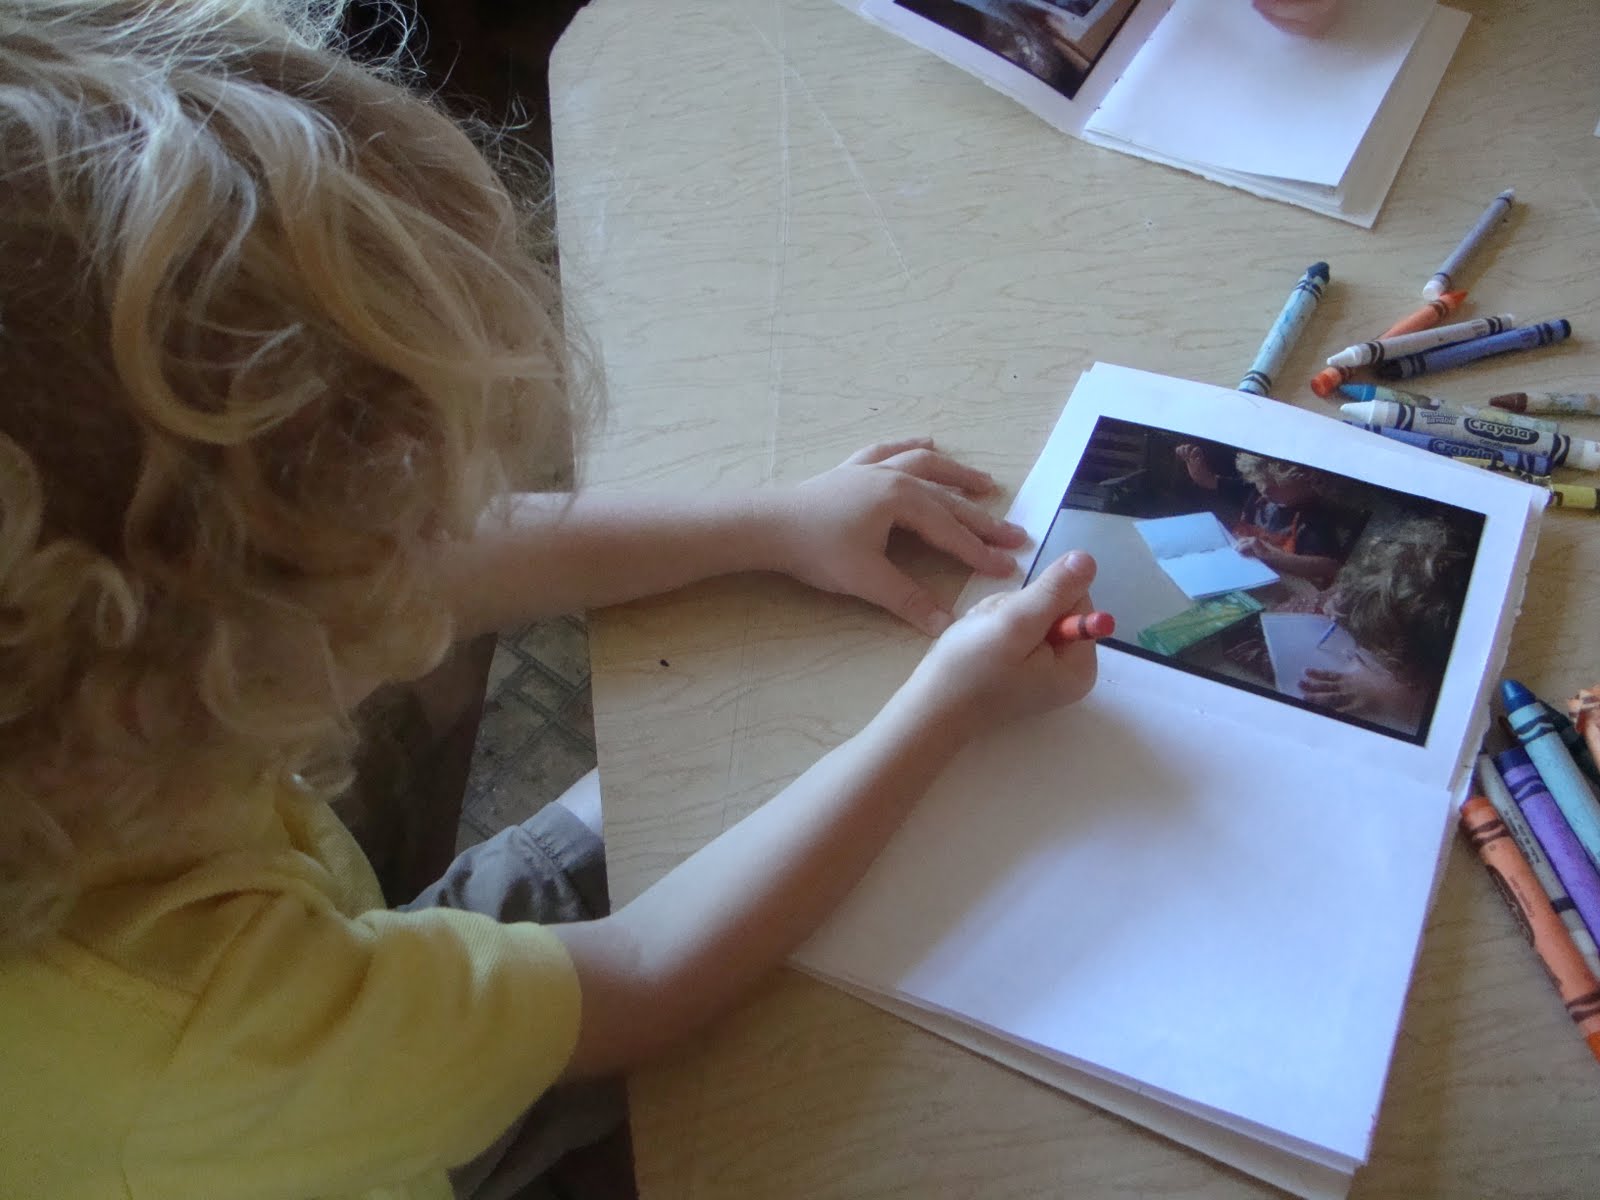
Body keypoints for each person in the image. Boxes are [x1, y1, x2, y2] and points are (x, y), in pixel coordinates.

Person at [0, 2, 1101, 1198]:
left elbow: (416, 564)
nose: (423, 582)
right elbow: (645, 976)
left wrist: (769, 522)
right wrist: (942, 707)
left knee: (698, 783)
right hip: (333, 1103)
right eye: (386, 551)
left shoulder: (80, 721)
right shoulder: (217, 1036)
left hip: (322, 973)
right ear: (171, 685)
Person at [1174, 446, 1361, 591]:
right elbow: (1210, 481)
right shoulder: (1255, 492)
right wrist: (1198, 472)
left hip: (1282, 585)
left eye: (1276, 483)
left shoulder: (1317, 517)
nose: (1265, 489)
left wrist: (1271, 555)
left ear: (1309, 483)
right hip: (1237, 572)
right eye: (1259, 480)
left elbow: (1330, 567)